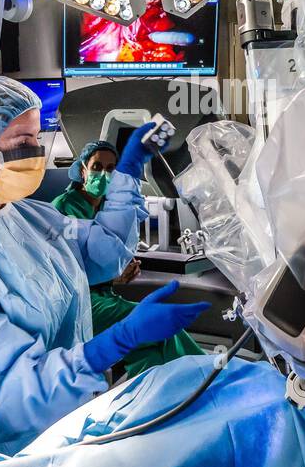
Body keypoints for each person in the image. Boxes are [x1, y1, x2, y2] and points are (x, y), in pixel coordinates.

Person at [0, 76, 209, 453]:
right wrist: (114, 342)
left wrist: (128, 172)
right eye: (22, 143)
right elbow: (3, 398)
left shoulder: (28, 217)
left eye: (36, 139)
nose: (36, 153)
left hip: (60, 429)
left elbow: (105, 252)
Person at [53, 139, 205, 376]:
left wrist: (118, 270)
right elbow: (60, 272)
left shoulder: (108, 205)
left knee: (149, 352)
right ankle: (207, 379)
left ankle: (160, 399)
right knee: (158, 325)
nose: (104, 174)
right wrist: (111, 276)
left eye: (111, 169)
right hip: (78, 303)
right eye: (96, 167)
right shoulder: (63, 208)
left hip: (104, 297)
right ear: (82, 170)